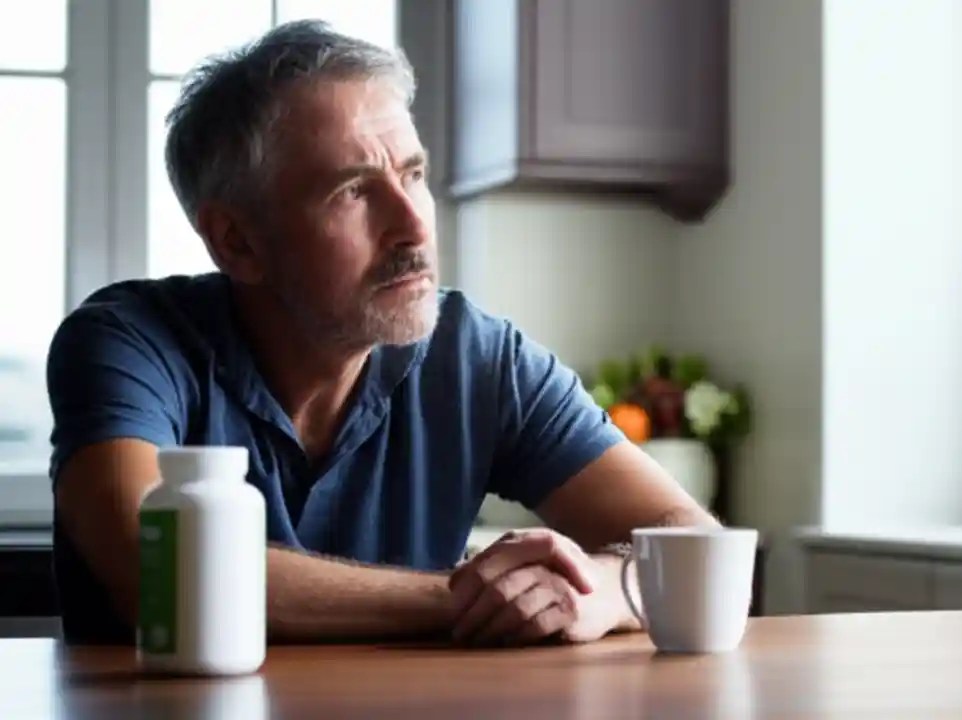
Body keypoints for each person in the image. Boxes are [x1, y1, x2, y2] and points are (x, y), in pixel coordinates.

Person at [47, 20, 716, 646]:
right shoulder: (127, 342)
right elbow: (156, 568)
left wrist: (595, 594)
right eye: (353, 192)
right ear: (236, 241)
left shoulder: (479, 355)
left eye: (413, 174)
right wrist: (461, 598)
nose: (416, 227)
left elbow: (696, 547)